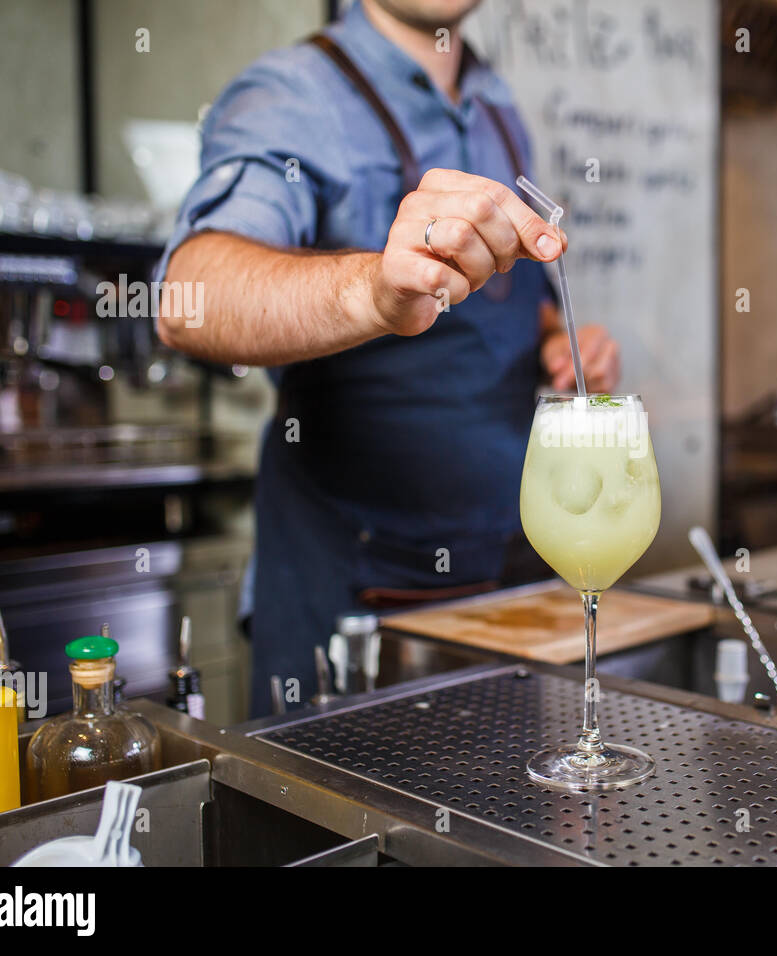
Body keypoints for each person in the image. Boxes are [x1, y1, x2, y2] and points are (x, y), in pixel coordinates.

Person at [156, 0, 621, 715]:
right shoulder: (290, 94)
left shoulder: (495, 100)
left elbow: (509, 294)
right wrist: (373, 290)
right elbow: (188, 297)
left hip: (503, 573)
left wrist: (554, 336)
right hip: (351, 589)